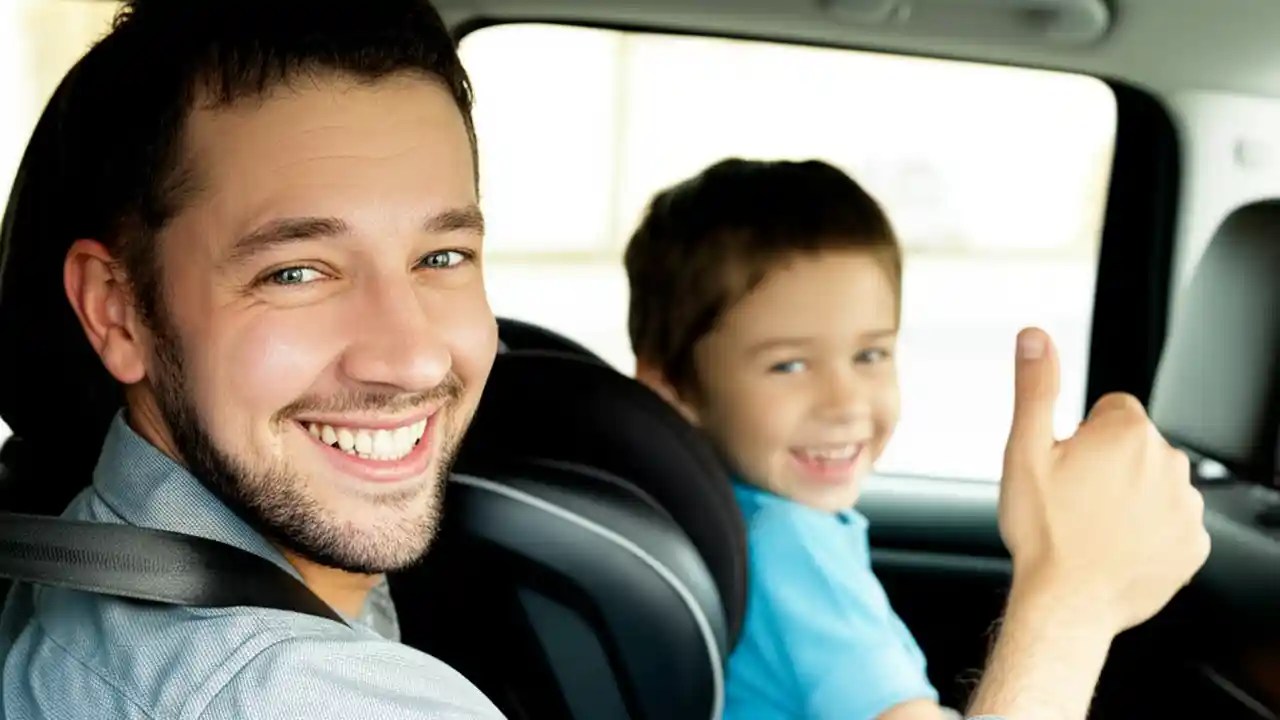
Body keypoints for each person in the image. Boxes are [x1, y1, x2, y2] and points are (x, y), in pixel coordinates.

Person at [0, 1, 1209, 719]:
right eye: (297, 271)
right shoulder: (288, 692)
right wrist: (1070, 605)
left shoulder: (104, 561)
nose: (411, 351)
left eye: (441, 258)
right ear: (115, 311)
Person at [625, 158, 951, 719]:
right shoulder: (791, 545)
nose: (844, 402)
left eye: (870, 355)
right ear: (675, 388)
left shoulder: (725, 515)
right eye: (790, 365)